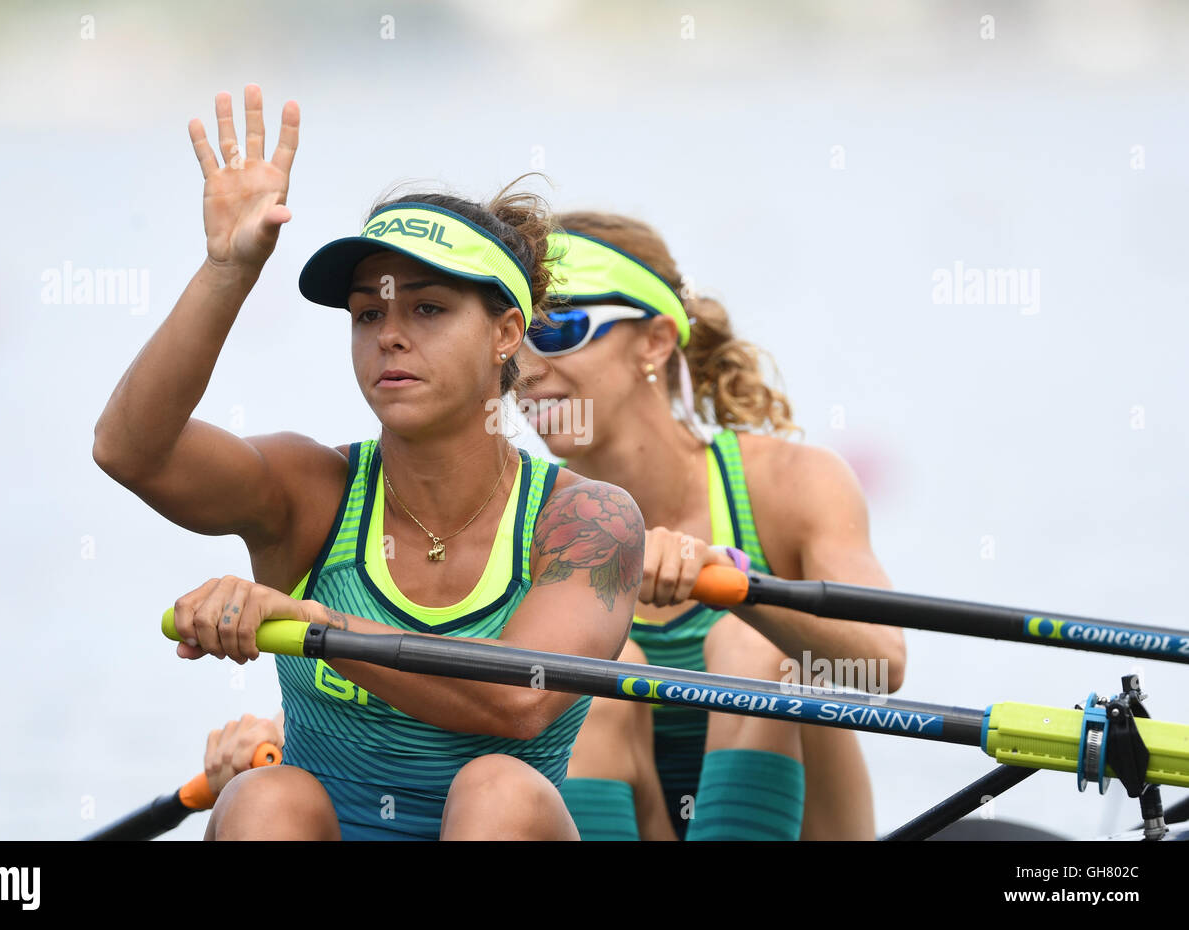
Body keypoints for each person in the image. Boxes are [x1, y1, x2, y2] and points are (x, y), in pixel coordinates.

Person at [92, 85, 643, 840]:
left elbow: (521, 700)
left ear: (506, 333)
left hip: (503, 823)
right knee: (264, 797)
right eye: (367, 314)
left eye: (426, 308)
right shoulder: (307, 492)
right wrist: (227, 271)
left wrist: (310, 622)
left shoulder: (586, 518)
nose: (388, 336)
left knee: (497, 790)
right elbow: (131, 451)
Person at [518, 215, 907, 840]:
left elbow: (884, 663)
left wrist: (735, 586)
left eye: (558, 329)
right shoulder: (520, 517)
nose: (527, 372)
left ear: (654, 341)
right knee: (604, 670)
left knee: (748, 645)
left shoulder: (791, 484)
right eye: (512, 343)